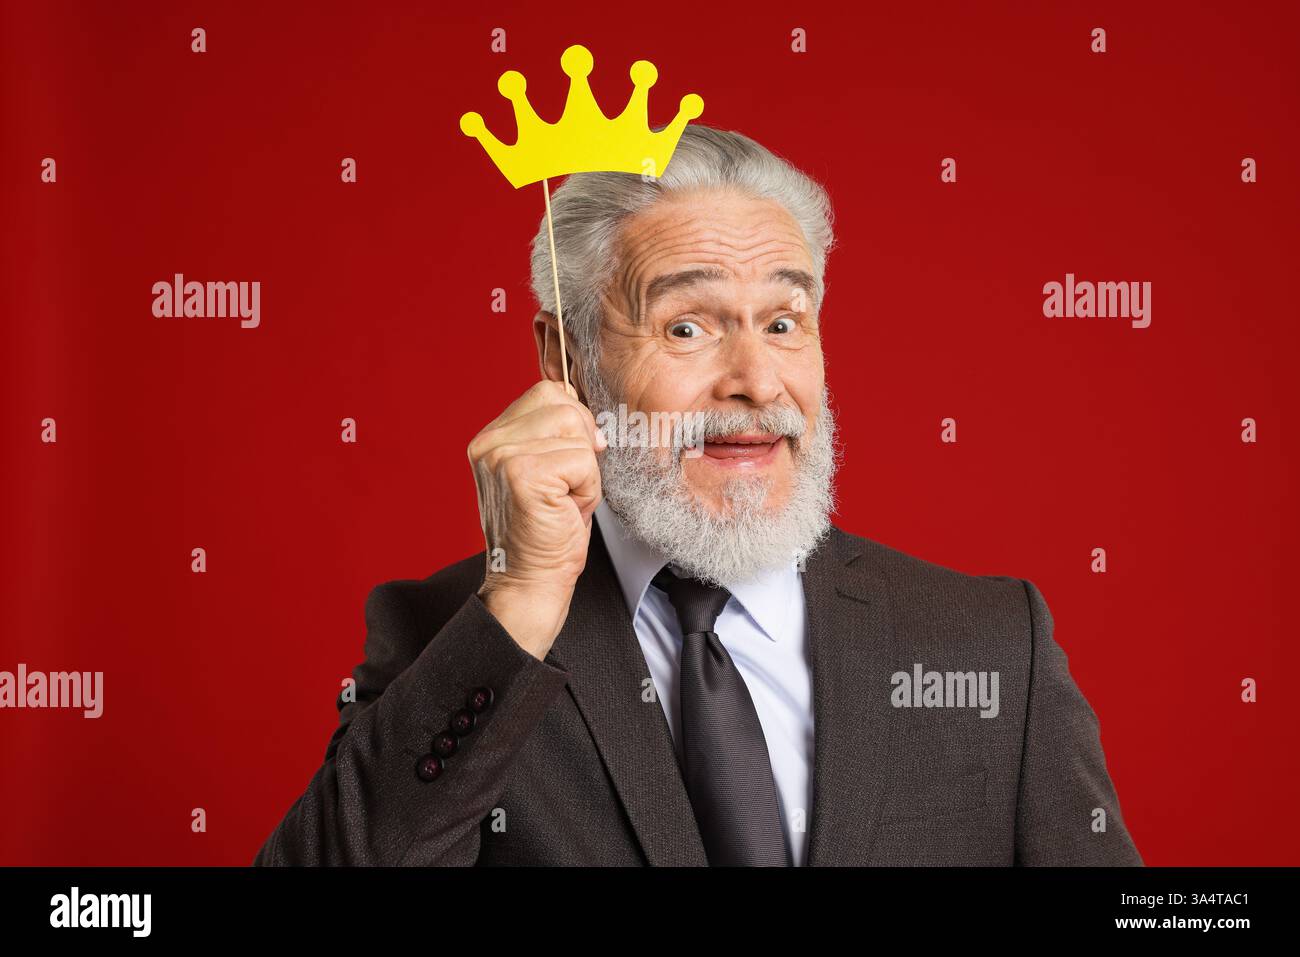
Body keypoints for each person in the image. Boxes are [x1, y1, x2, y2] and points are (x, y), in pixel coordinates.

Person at [253, 125, 1142, 866]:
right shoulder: (448, 640)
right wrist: (518, 604)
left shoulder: (992, 643)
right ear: (567, 362)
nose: (757, 381)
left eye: (784, 323)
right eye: (687, 326)